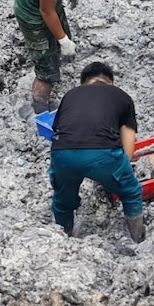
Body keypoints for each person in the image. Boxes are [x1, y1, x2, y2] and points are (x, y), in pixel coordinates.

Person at [47, 61, 145, 243]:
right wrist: (119, 172)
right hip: (102, 153)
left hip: (62, 153)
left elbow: (59, 130)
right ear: (110, 82)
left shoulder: (70, 95)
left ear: (84, 82)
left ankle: (63, 241)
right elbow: (128, 147)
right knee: (131, 192)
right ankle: (138, 240)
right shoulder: (121, 96)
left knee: (62, 200)